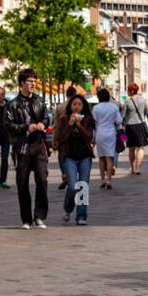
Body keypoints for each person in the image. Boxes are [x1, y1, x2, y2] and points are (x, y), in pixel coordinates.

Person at [6, 68, 50, 230]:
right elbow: (8, 125)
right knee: (22, 183)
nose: (33, 84)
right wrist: (26, 127)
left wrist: (43, 124)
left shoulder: (39, 100)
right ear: (22, 84)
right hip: (22, 147)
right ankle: (26, 219)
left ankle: (39, 215)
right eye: (30, 81)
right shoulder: (13, 104)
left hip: (38, 146)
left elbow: (47, 117)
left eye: (35, 81)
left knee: (42, 180)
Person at [56, 94, 95, 225]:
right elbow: (61, 138)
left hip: (84, 157)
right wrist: (70, 124)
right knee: (72, 186)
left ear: (83, 106)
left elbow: (89, 137)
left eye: (79, 104)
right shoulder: (64, 119)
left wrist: (79, 125)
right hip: (70, 157)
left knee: (83, 185)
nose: (77, 107)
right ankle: (67, 208)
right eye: (74, 104)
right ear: (70, 106)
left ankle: (81, 216)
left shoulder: (88, 119)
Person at [92, 87, 123, 190]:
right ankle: (109, 180)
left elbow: (94, 121)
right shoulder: (114, 107)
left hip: (100, 133)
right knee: (109, 158)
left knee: (101, 157)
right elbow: (119, 120)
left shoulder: (96, 108)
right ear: (108, 96)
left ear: (98, 97)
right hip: (111, 133)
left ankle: (102, 180)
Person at [122, 84, 148, 175]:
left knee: (131, 148)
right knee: (140, 147)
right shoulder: (143, 100)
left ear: (131, 91)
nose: (127, 91)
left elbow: (122, 115)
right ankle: (138, 168)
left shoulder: (127, 101)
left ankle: (132, 167)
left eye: (128, 90)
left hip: (129, 126)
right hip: (140, 125)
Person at [56, 86, 78, 191]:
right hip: (74, 136)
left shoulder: (60, 107)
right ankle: (70, 175)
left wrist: (54, 139)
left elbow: (55, 125)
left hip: (62, 135)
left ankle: (65, 174)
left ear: (66, 95)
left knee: (62, 157)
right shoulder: (78, 106)